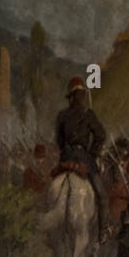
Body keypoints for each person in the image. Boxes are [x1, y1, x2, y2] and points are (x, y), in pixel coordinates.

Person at [55, 77, 108, 241]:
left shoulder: (61, 115)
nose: (80, 98)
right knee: (102, 195)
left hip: (66, 157)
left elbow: (59, 139)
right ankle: (102, 231)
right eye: (79, 95)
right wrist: (92, 154)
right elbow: (101, 135)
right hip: (84, 158)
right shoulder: (87, 114)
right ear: (75, 96)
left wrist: (65, 152)